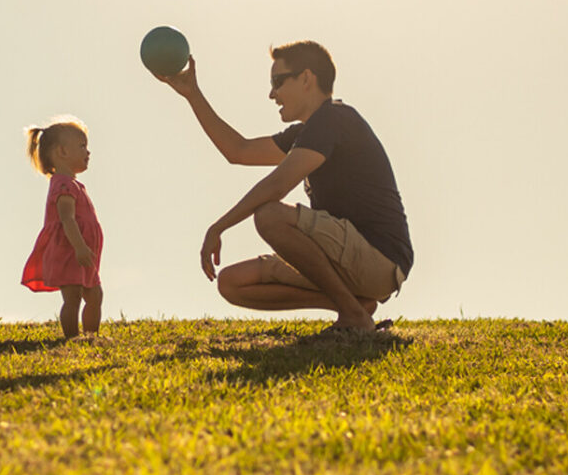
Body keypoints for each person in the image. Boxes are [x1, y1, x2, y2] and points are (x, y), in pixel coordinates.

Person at [155, 41, 413, 334]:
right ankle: (353, 306)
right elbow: (238, 151)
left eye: (277, 82)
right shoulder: (307, 132)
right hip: (347, 260)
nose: (272, 94)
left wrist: (219, 226)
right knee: (232, 282)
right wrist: (192, 94)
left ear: (306, 78)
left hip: (379, 259)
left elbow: (277, 185)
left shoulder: (333, 119)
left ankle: (353, 316)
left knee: (270, 216)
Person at [20, 116, 105, 340]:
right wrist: (79, 247)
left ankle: (90, 336)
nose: (88, 152)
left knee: (95, 295)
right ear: (62, 152)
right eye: (82, 146)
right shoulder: (63, 184)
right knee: (73, 297)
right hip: (69, 251)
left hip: (82, 252)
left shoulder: (73, 184)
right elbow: (67, 219)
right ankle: (72, 338)